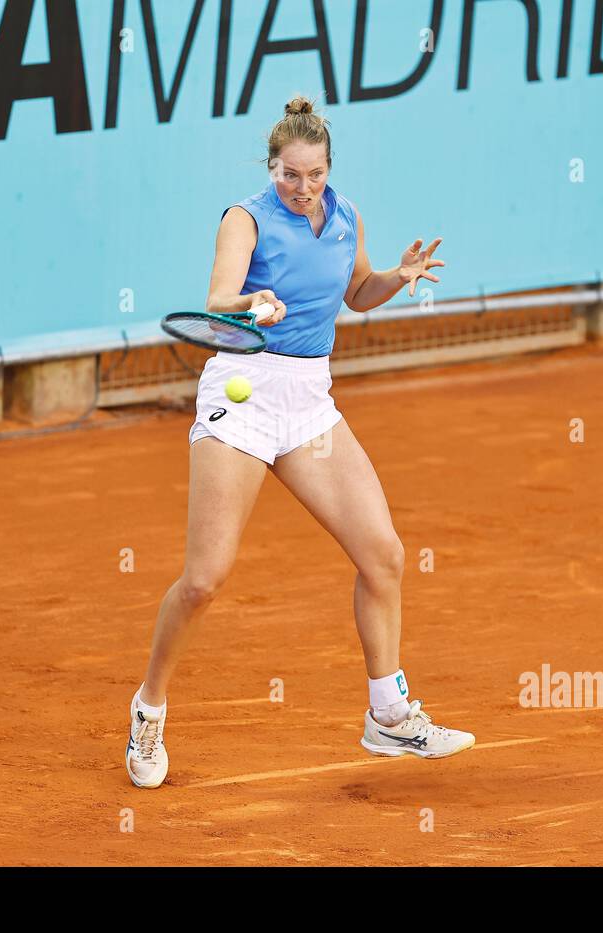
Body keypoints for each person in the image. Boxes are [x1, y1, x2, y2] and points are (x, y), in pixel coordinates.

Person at [126, 95, 474, 788]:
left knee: (383, 556)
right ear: (272, 166)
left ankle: (388, 714)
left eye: (313, 174)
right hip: (244, 392)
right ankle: (149, 709)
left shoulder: (346, 217)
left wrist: (397, 280)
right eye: (291, 174)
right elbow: (219, 296)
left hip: (310, 401)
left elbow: (356, 293)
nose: (303, 186)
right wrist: (252, 304)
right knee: (204, 580)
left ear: (328, 167)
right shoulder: (245, 217)